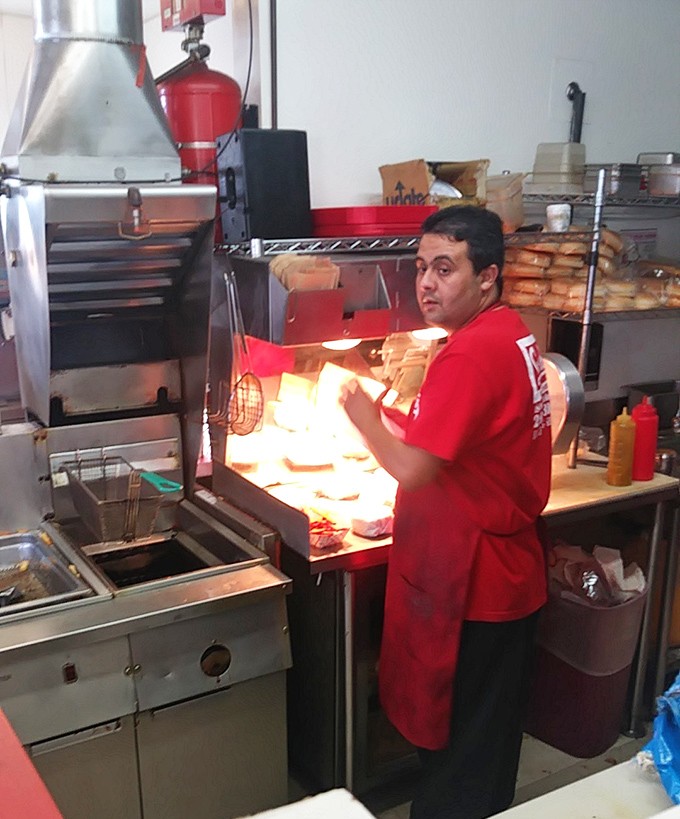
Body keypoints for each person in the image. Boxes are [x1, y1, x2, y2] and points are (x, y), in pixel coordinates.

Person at [339, 206, 552, 819]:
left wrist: (360, 416)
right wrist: (397, 421)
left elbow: (413, 469)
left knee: (457, 769)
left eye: (445, 268)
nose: (426, 284)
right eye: (421, 268)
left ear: (487, 276)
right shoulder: (509, 330)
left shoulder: (470, 352)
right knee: (485, 748)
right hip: (506, 571)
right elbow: (463, 439)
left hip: (475, 586)